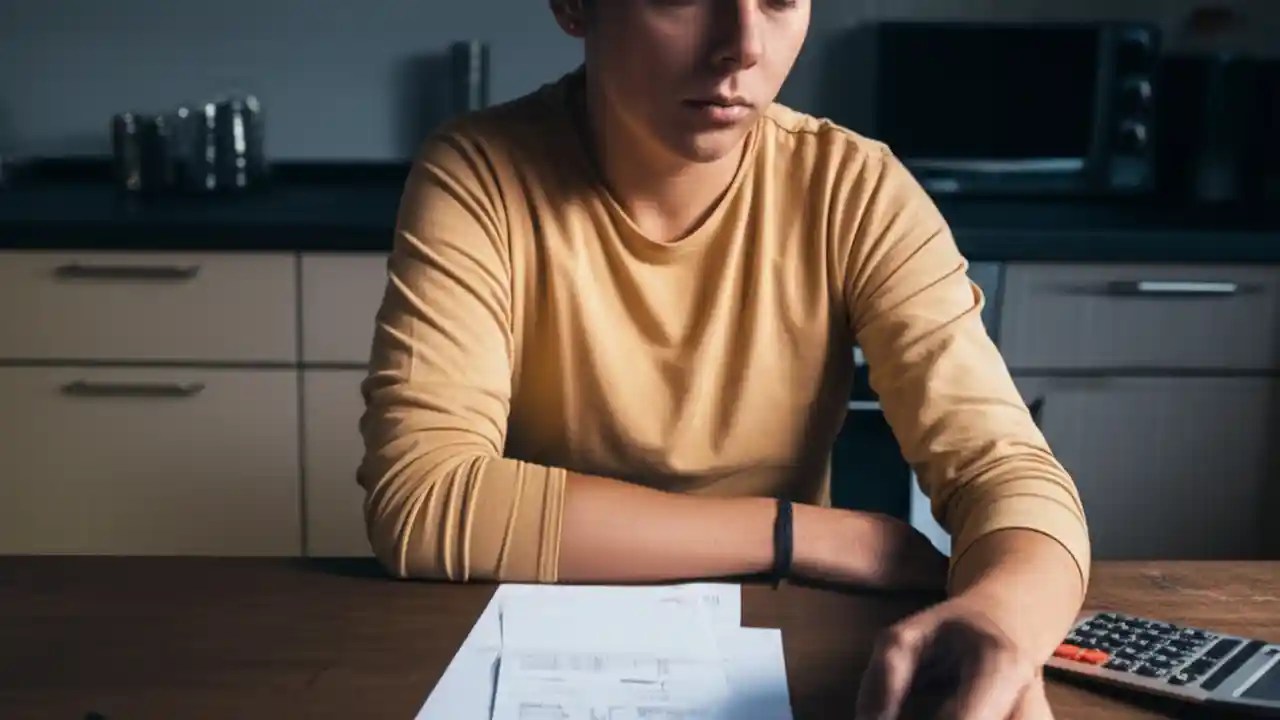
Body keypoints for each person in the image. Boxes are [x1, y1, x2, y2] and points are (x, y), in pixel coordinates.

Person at [358, 1, 1090, 717]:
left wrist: (1000, 621)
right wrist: (801, 534)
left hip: (780, 629)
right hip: (524, 636)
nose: (743, 44)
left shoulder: (854, 191)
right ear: (574, 7)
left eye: (779, 0)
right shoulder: (480, 173)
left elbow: (1006, 471)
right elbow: (425, 498)